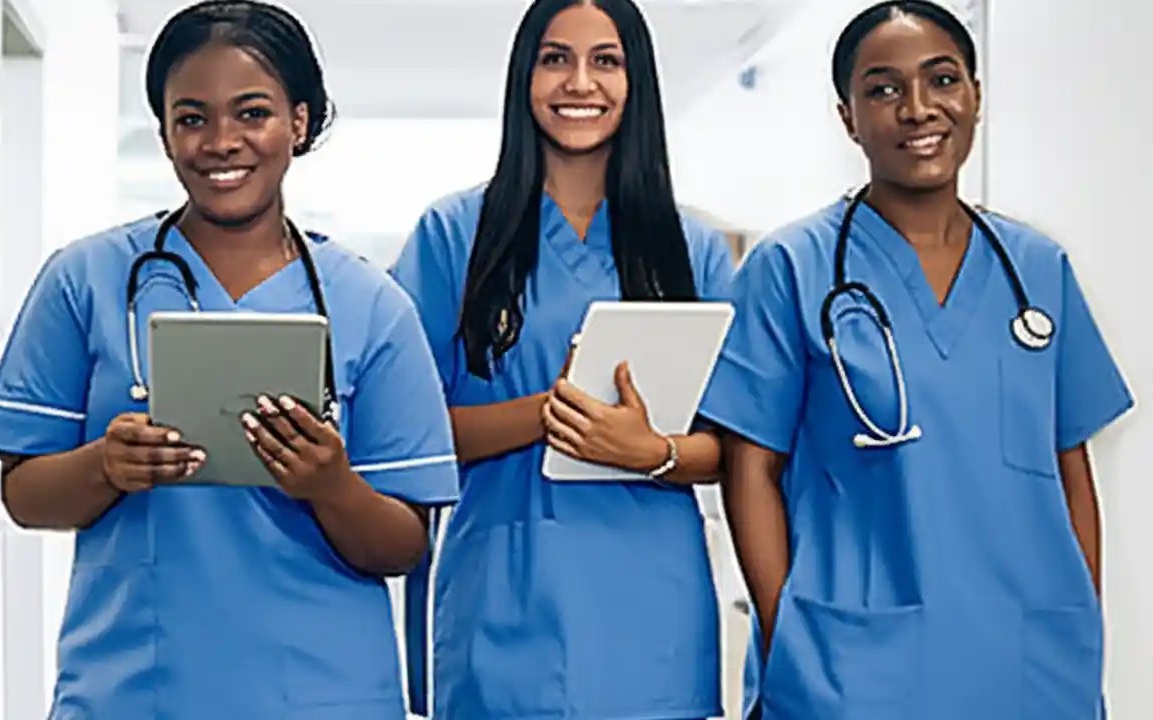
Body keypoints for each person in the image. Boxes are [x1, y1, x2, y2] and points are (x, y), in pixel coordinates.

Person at [0, 2, 459, 717]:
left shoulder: (371, 306)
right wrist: (103, 466)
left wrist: (330, 486)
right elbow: (23, 495)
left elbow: (402, 546)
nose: (220, 142)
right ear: (166, 132)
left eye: (252, 113)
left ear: (298, 122)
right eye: (192, 118)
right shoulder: (86, 280)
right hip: (135, 691)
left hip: (323, 694)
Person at [700, 2, 1135, 718]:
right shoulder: (793, 267)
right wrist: (792, 641)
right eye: (883, 89)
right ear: (848, 117)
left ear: (976, 96)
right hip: (852, 668)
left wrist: (1077, 623)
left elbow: (1068, 467)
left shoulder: (1037, 269)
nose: (918, 108)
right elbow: (752, 469)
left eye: (942, 79)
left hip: (1030, 667)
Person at [390, 1, 734, 718]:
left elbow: (738, 448)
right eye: (556, 58)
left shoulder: (689, 248)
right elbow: (406, 438)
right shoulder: (456, 235)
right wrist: (545, 414)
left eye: (605, 60)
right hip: (503, 598)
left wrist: (652, 451)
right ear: (525, 78)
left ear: (635, 79)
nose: (580, 81)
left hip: (652, 613)